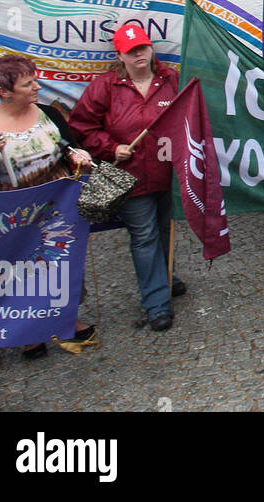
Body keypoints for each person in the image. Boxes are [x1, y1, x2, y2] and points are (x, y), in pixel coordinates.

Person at [0, 56, 95, 357]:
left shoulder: (48, 113)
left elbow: (69, 146)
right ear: (5, 92)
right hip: (13, 211)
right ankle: (29, 331)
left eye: (35, 79)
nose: (37, 86)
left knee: (60, 262)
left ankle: (67, 319)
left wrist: (78, 157)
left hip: (55, 206)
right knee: (19, 268)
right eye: (28, 83)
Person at [69, 24, 186, 333]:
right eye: (131, 51)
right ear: (119, 55)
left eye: (143, 48)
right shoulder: (105, 86)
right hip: (129, 177)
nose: (139, 56)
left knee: (164, 230)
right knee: (144, 236)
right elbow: (81, 126)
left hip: (166, 172)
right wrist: (110, 147)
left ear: (151, 49)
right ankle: (156, 303)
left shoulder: (170, 80)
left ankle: (164, 275)